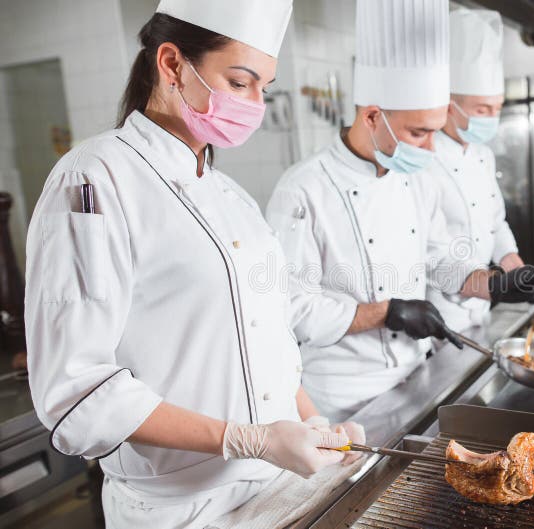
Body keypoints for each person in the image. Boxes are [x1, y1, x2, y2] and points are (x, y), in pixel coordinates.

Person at [24, 2, 363, 528]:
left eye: (263, 87)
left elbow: (263, 336)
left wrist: (314, 420)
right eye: (240, 81)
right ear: (172, 63)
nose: (255, 103)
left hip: (273, 489)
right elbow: (77, 390)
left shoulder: (231, 196)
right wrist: (244, 439)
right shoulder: (94, 178)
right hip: (178, 511)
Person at [265, 0, 534, 420]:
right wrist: (387, 313)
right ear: (373, 116)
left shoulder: (411, 178)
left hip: (417, 377)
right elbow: (292, 309)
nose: (431, 149)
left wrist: (497, 286)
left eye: (435, 132)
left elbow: (438, 261)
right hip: (343, 401)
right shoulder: (303, 190)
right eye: (419, 133)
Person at [424, 8, 534, 333]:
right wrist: (492, 285)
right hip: (437, 308)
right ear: (449, 104)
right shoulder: (422, 162)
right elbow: (428, 254)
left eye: (497, 108)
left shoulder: (483, 155)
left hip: (483, 302)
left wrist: (511, 262)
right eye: (482, 109)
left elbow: (495, 221)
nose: (492, 117)